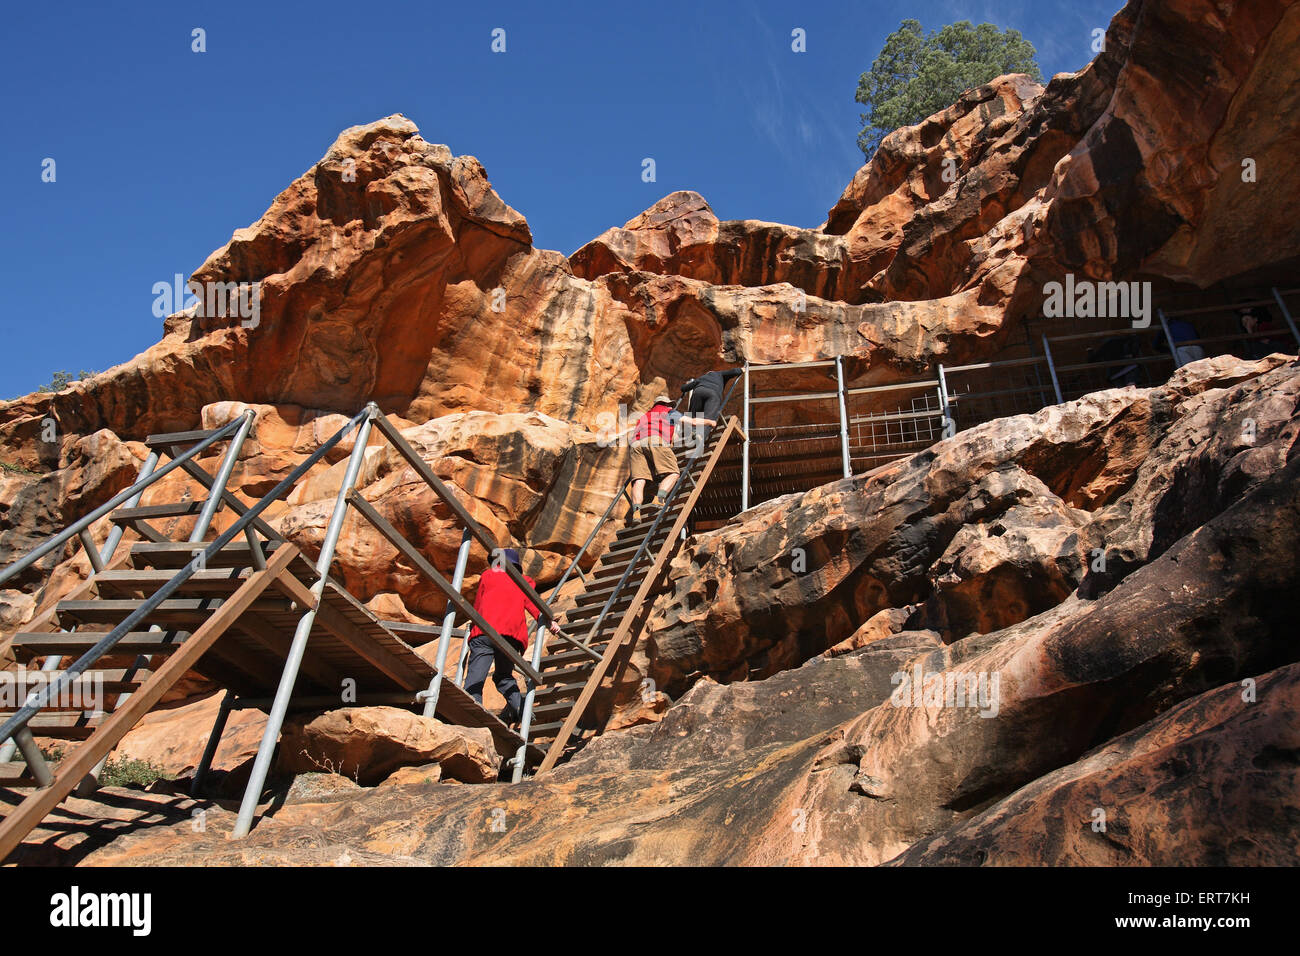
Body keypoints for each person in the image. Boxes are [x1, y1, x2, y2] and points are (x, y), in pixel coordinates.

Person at [463, 548, 558, 725]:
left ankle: (473, 718)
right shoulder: (524, 582)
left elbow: (478, 605)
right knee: (503, 677)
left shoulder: (488, 576)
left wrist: (474, 625)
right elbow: (535, 606)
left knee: (475, 680)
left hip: (484, 632)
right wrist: (550, 621)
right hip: (511, 637)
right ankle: (524, 713)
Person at [618, 395, 708, 524]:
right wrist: (710, 422)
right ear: (665, 404)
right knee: (674, 472)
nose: (671, 406)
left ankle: (636, 512)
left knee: (639, 480)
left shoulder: (644, 416)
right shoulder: (669, 412)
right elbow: (692, 422)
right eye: (669, 404)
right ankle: (659, 498)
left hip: (636, 444)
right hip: (655, 440)